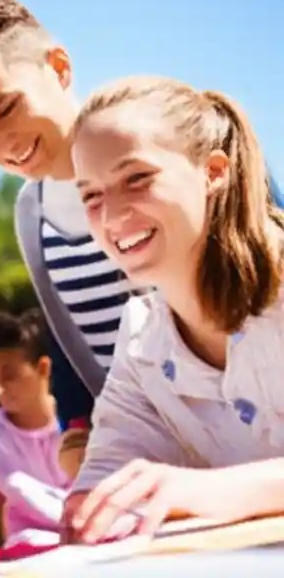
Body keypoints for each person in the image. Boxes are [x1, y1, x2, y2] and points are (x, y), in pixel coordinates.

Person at [0, 0, 284, 478]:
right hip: (148, 453)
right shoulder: (32, 215)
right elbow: (70, 342)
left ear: (59, 68)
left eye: (5, 109)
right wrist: (78, 428)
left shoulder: (182, 145)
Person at [60, 77, 284, 544]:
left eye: (136, 178)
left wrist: (211, 492)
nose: (112, 216)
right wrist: (91, 512)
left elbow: (197, 493)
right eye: (91, 196)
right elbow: (104, 482)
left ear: (213, 172)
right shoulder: (142, 340)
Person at [0, 310, 71, 547]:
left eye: (9, 375)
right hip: (32, 540)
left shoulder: (76, 418)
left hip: (97, 527)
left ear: (43, 368)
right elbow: (18, 487)